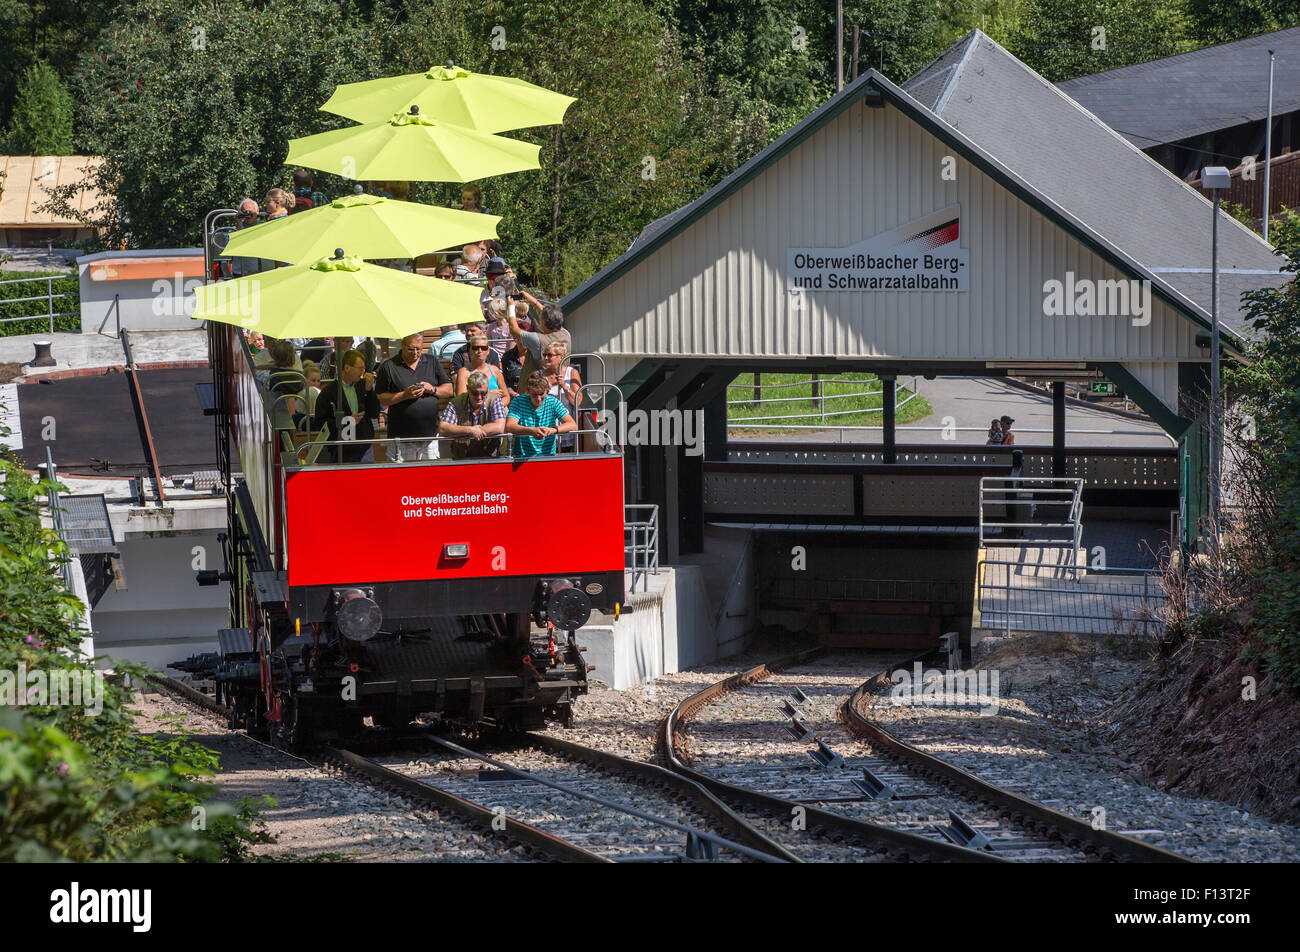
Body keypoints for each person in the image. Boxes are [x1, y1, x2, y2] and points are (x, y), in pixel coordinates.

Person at [376, 331, 452, 460]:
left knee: (428, 477)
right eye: (411, 349)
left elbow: (449, 390)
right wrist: (404, 395)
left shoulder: (431, 361)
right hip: (401, 438)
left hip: (429, 437)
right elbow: (381, 398)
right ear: (402, 345)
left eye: (419, 349)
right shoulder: (389, 366)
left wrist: (432, 389)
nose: (415, 353)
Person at [312, 349, 380, 463]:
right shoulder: (329, 392)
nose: (363, 371)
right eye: (360, 368)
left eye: (364, 368)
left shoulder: (363, 386)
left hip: (364, 445)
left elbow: (374, 413)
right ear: (347, 368)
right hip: (342, 449)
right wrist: (347, 420)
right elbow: (320, 424)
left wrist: (369, 392)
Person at [506, 371, 576, 457]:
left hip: (548, 456)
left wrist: (552, 430)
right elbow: (509, 426)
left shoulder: (553, 402)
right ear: (528, 391)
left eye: (541, 394)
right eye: (534, 394)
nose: (538, 398)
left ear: (547, 391)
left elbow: (572, 425)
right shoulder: (518, 401)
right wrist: (532, 431)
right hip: (522, 457)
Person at [440, 370, 507, 459]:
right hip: (461, 459)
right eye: (475, 393)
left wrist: (469, 432)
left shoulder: (495, 400)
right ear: (467, 388)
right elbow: (443, 428)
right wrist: (470, 430)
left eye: (483, 393)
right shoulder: (456, 403)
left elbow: (499, 427)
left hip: (490, 458)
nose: (479, 397)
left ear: (487, 389)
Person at [508, 299, 572, 384]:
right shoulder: (566, 334)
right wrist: (534, 302)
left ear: (544, 322)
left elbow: (513, 329)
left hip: (539, 391)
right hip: (562, 386)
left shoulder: (537, 340)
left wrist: (511, 307)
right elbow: (552, 317)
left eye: (540, 318)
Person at [540, 341, 581, 449]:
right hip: (545, 423)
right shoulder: (540, 374)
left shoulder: (571, 373)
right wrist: (545, 391)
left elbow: (578, 401)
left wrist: (564, 386)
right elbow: (532, 399)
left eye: (549, 355)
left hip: (565, 424)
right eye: (544, 355)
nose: (546, 358)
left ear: (561, 357)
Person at [455, 335, 510, 409]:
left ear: (488, 351)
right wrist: (489, 393)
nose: (479, 351)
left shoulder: (495, 370)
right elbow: (461, 398)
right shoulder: (464, 372)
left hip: (497, 409)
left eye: (483, 348)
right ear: (471, 351)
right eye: (475, 348)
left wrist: (496, 408)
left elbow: (506, 396)